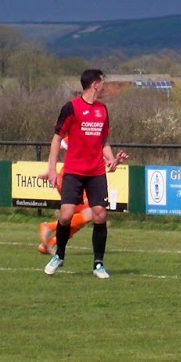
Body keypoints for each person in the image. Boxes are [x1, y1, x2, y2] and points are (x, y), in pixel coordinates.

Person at [44, 69, 129, 279]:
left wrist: (111, 160)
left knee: (100, 214)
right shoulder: (71, 107)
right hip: (73, 171)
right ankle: (59, 255)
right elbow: (57, 138)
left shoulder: (103, 109)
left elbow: (103, 141)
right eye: (102, 82)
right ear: (94, 84)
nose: (104, 86)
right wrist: (52, 169)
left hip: (96, 172)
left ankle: (98, 264)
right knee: (65, 216)